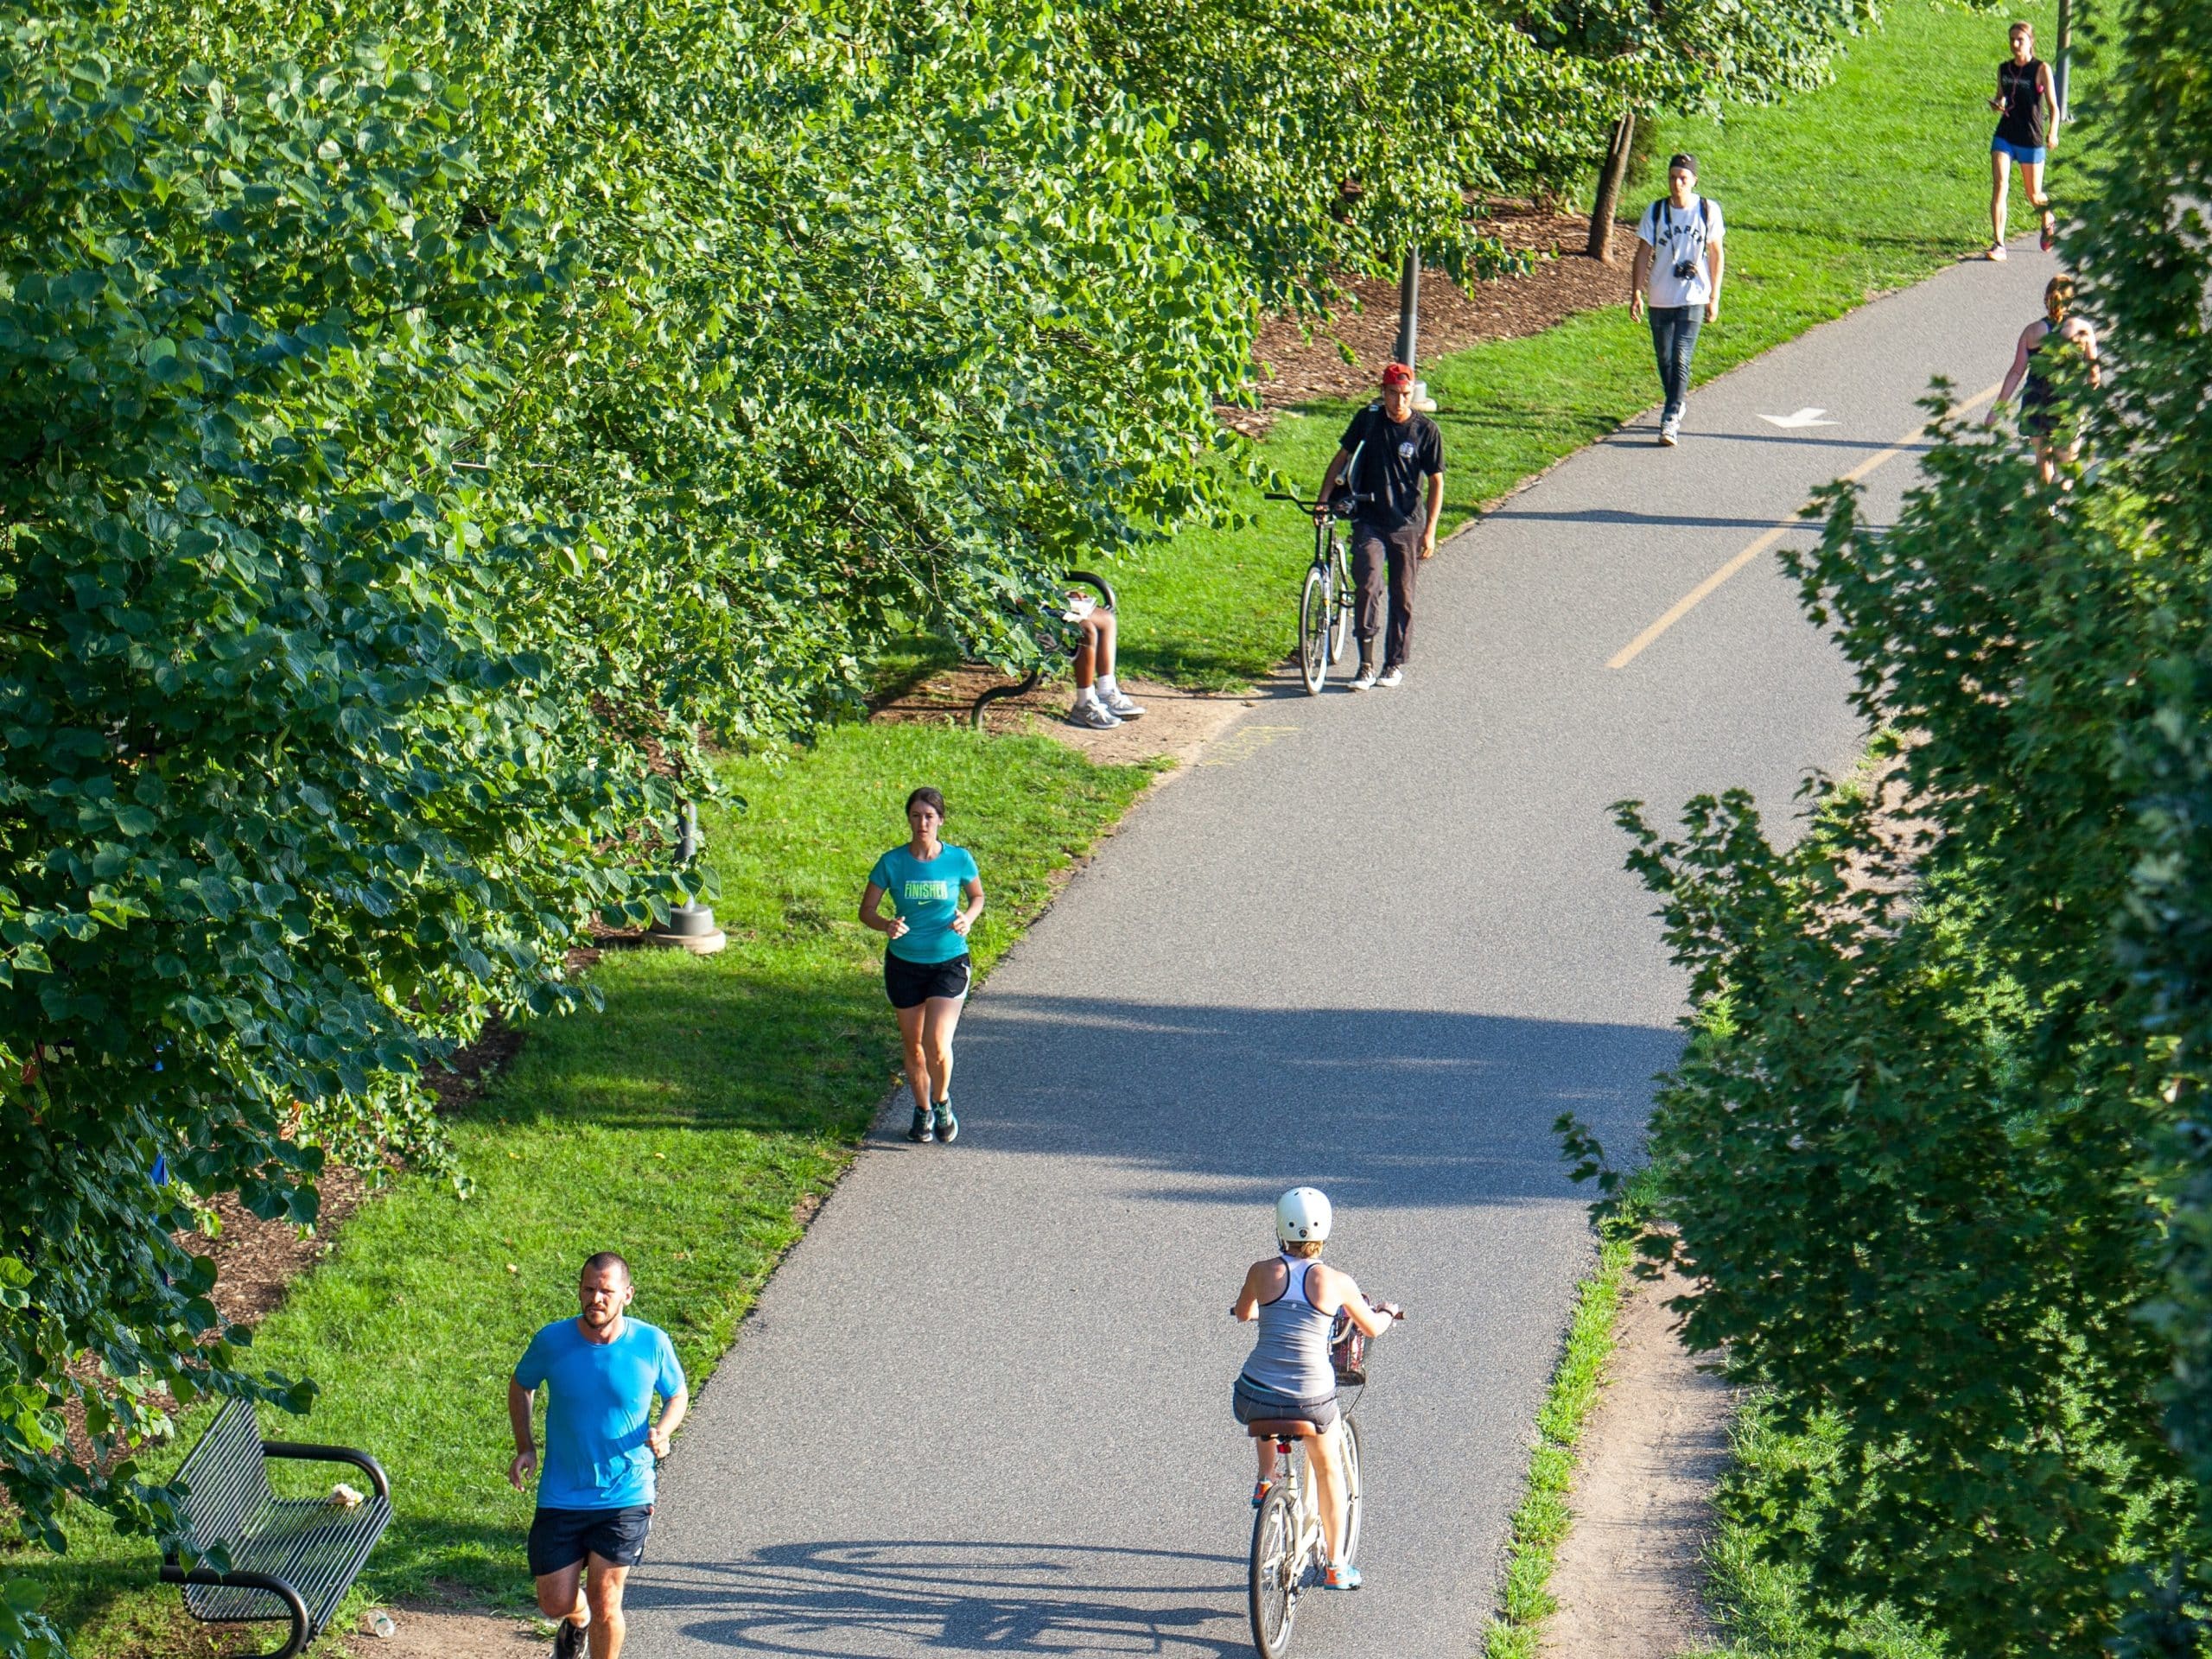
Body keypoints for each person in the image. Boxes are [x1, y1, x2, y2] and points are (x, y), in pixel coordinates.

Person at [508, 1254, 688, 1659]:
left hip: (626, 1492)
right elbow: (521, 1384)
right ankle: (577, 1619)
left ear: (627, 1294)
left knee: (608, 1600)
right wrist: (526, 1446)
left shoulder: (651, 1342)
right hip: (562, 1492)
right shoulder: (552, 1341)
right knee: (554, 1602)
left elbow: (676, 1393)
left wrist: (664, 1430)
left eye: (606, 1291)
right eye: (588, 1289)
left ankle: (594, 1624)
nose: (596, 1299)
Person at [1230, 1188, 1398, 1592]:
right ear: (1325, 1231)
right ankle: (1337, 1566)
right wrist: (1389, 1312)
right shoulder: (1336, 1282)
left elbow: (1243, 1312)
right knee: (1328, 1471)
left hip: (1253, 1393)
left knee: (1265, 1405)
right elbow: (1371, 1327)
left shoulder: (1260, 1271)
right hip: (1312, 1399)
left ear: (1279, 1227)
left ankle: (1267, 1478)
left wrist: (1259, 1311)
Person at [860, 786, 984, 1143]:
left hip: (949, 961)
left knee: (936, 1044)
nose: (922, 822)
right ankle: (922, 1110)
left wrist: (969, 918)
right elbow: (865, 911)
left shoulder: (959, 859)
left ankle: (942, 1102)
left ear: (941, 821)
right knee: (913, 1046)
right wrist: (886, 924)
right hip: (904, 964)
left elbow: (977, 896)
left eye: (929, 816)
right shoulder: (892, 862)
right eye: (916, 815)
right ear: (909, 819)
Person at [1313, 362, 1445, 690]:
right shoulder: (1368, 420)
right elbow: (1341, 457)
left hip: (1406, 524)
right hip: (1369, 519)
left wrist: (1430, 531)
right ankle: (1366, 664)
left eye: (1405, 395)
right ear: (1382, 392)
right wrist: (1324, 497)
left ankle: (1394, 663)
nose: (1399, 402)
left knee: (1403, 596)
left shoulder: (1426, 431)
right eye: (1393, 394)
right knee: (1369, 585)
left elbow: (1436, 483)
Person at [1629, 154, 1726, 448]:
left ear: (1694, 180)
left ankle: (1670, 417)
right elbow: (1643, 253)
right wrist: (1636, 291)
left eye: (1683, 178)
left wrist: (1714, 296)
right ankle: (1677, 399)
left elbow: (1717, 253)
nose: (1677, 183)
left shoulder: (1707, 210)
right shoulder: (1656, 211)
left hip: (1693, 295)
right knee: (1664, 357)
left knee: (1681, 354)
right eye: (1672, 177)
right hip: (1660, 296)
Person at [1987, 274, 2101, 486]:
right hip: (2067, 404)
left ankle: (2047, 510)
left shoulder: (2031, 332)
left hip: (2035, 403)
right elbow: (2094, 374)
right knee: (2067, 469)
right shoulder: (2083, 330)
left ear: (2046, 299)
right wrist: (2088, 399)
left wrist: (1997, 408)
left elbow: (2016, 371)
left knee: (2043, 462)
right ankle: (2055, 506)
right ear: (2071, 300)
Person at [1985, 21, 2059, 261]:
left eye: (2020, 40)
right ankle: (1999, 244)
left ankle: (2048, 218)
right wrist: (1998, 104)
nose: (2015, 44)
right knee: (2000, 185)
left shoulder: (2041, 69)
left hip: (2031, 138)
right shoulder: (2004, 69)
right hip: (2005, 134)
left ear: (2031, 42)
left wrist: (2053, 132)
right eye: (2012, 40)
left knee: (2034, 195)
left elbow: (2054, 107)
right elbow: (2001, 97)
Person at [1065, 590, 1145, 730]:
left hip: (1049, 603)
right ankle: (1084, 705)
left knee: (1107, 620)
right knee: (1086, 629)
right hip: (1031, 611)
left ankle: (1106, 692)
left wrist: (1064, 594)